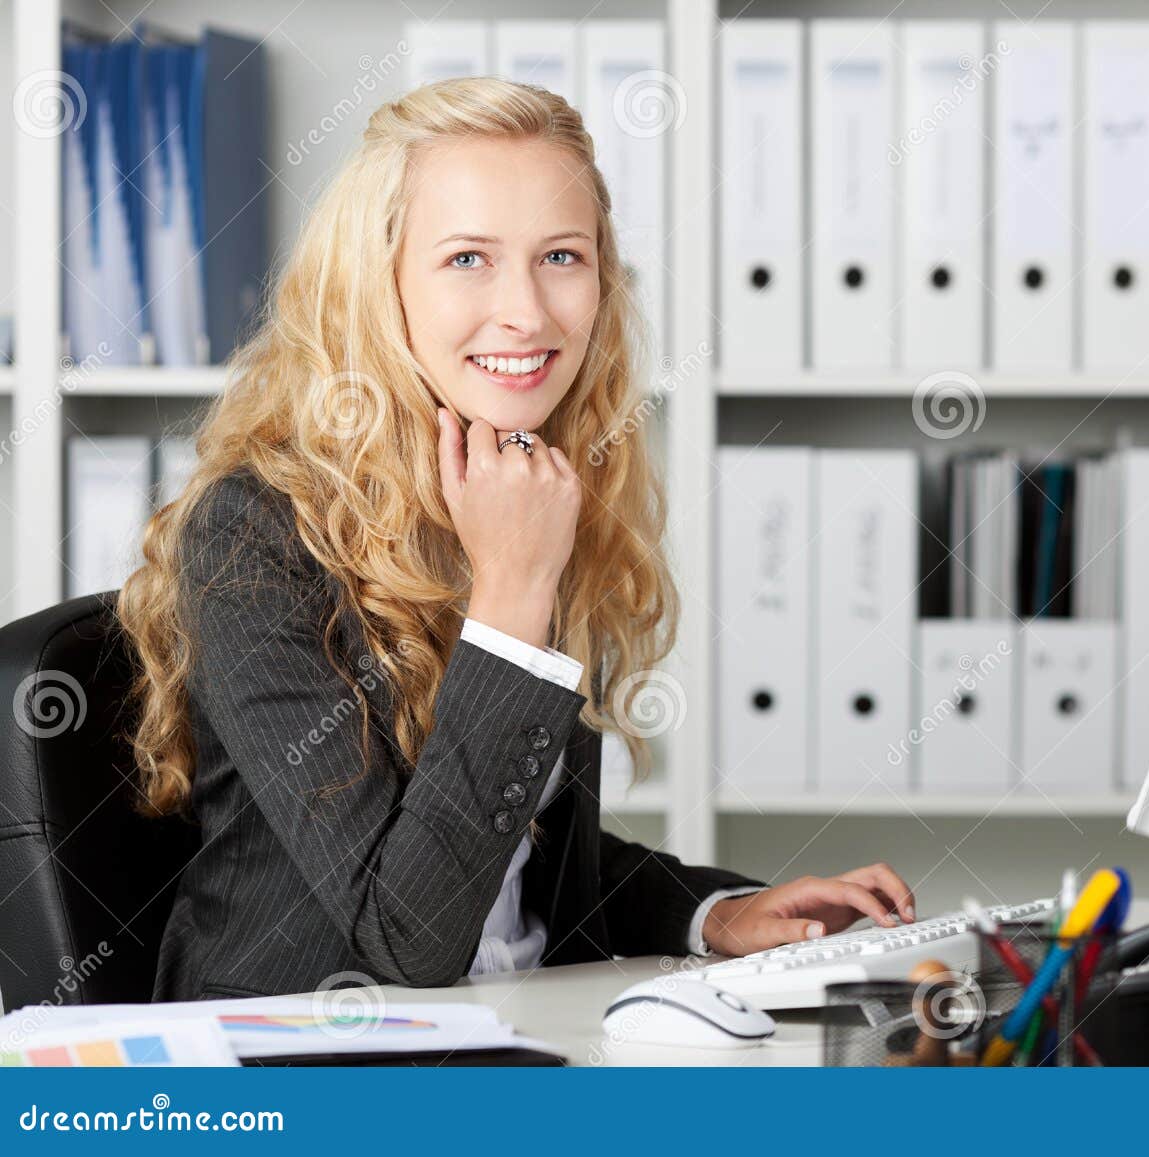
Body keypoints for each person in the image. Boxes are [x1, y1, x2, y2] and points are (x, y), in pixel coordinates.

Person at [118, 78, 916, 1001]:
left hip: (525, 1031)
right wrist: (510, 596)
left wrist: (712, 913)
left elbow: (512, 855)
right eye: (467, 259)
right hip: (312, 1064)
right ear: (377, 287)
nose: (528, 313)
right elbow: (409, 936)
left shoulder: (535, 489)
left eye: (562, 257)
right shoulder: (258, 533)